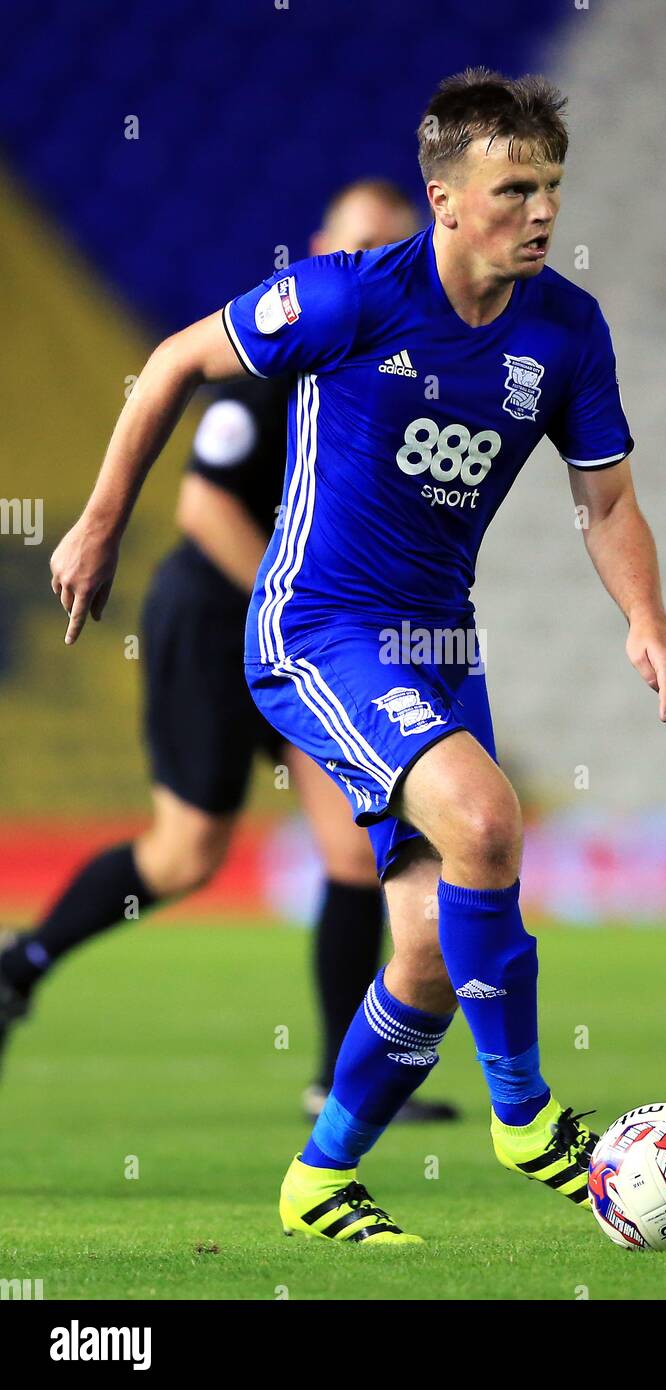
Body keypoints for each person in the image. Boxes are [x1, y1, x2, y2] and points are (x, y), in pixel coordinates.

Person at [47, 69, 666, 1246]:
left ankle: (319, 1179)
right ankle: (525, 1116)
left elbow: (605, 505)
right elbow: (178, 364)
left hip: (438, 642)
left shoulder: (566, 329)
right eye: (514, 188)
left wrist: (644, 619)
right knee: (487, 825)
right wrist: (97, 522)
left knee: (425, 953)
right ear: (444, 199)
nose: (541, 210)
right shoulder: (348, 297)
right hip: (316, 627)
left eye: (550, 185)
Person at [1, 179, 458, 1125]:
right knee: (186, 855)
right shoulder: (270, 369)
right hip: (216, 623)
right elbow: (205, 507)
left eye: (391, 246)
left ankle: (339, 1082)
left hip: (306, 634)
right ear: (322, 246)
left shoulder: (389, 374)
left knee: (350, 850)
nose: (373, 261)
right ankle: (21, 967)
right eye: (358, 243)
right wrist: (308, 611)